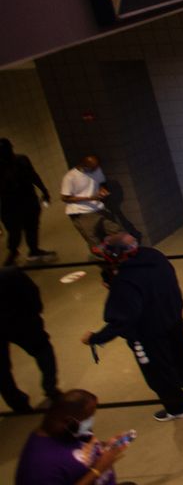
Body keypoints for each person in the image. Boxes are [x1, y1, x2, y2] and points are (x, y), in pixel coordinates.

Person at [81, 233, 183, 422]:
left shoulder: (125, 281)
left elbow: (122, 319)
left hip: (148, 331)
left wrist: (96, 338)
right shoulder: (153, 255)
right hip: (171, 316)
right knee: (180, 351)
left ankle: (178, 408)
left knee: (157, 371)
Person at [15, 389, 132, 485]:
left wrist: (106, 446)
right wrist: (98, 470)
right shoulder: (39, 467)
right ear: (68, 421)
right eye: (88, 417)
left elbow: (84, 447)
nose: (90, 422)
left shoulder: (70, 430)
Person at [0, 266, 60, 412]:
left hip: (19, 321)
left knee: (2, 370)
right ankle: (50, 388)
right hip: (23, 322)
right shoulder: (10, 274)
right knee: (43, 351)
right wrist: (34, 313)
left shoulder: (9, 274)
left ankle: (17, 403)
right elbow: (32, 293)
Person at [1, 139, 56, 266]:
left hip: (27, 199)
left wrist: (44, 190)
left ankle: (33, 250)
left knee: (31, 227)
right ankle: (13, 251)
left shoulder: (21, 160)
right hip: (10, 203)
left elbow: (33, 176)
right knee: (15, 230)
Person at [59, 156, 115, 252]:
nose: (96, 170)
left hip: (98, 209)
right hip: (81, 213)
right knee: (94, 240)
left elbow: (102, 182)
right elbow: (64, 198)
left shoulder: (97, 170)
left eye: (96, 167)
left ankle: (119, 255)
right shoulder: (70, 177)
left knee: (116, 231)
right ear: (84, 165)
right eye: (93, 168)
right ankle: (104, 261)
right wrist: (90, 198)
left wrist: (102, 190)